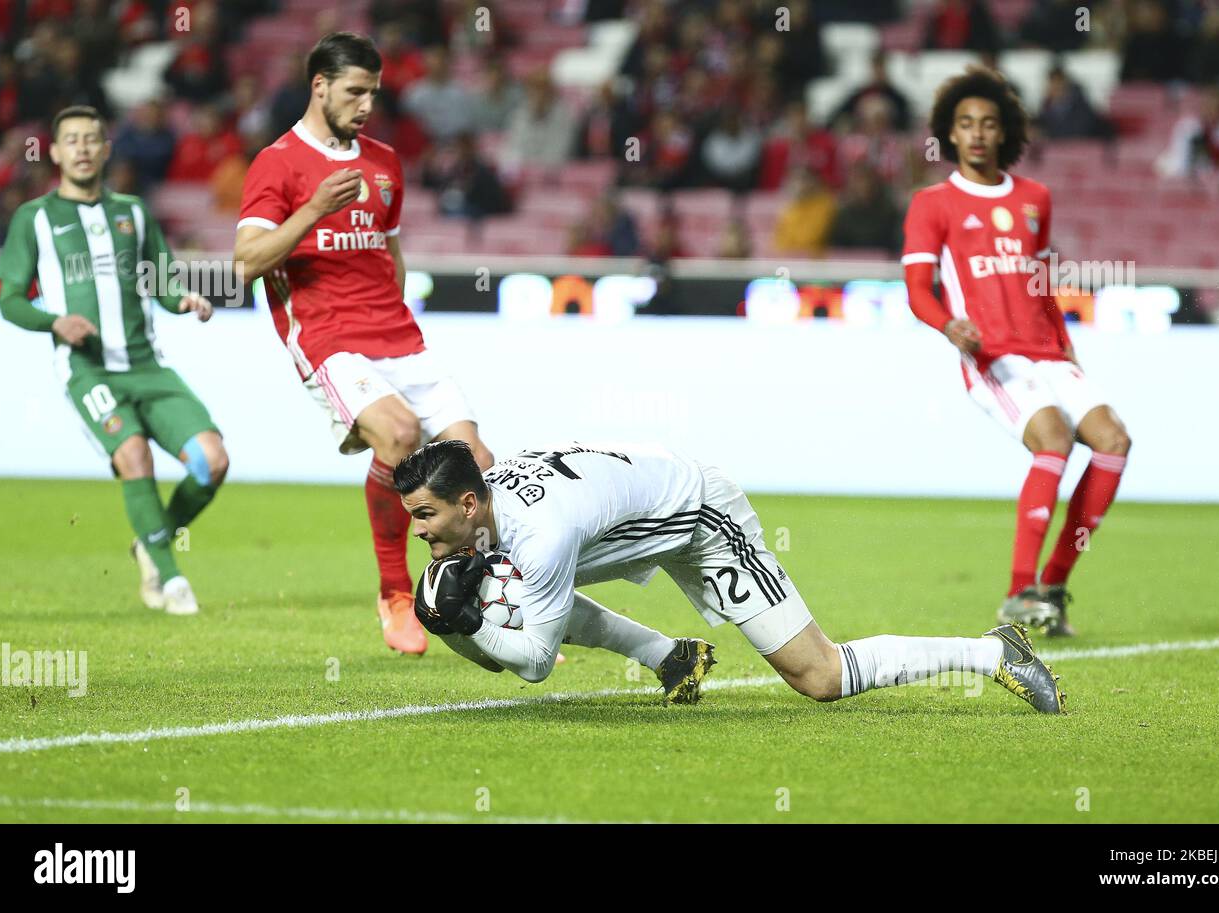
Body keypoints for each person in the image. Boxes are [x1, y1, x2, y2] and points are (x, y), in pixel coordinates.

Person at [401, 440, 1065, 714]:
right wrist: (467, 624)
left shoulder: (541, 535)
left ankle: (990, 652)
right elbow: (504, 642)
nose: (418, 530)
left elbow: (535, 663)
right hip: (639, 510)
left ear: (467, 503)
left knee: (819, 676)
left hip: (700, 519)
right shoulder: (489, 509)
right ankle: (672, 657)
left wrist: (461, 620)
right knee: (512, 599)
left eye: (425, 514)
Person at [233, 33, 493, 655]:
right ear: (318, 86)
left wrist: (397, 310)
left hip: (398, 333)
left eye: (373, 91)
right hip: (326, 336)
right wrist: (313, 208)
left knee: (477, 465)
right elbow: (245, 261)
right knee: (400, 435)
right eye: (354, 90)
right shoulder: (278, 162)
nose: (367, 102)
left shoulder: (383, 161)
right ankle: (395, 591)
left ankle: (498, 602)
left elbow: (390, 250)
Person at [901, 67, 1132, 636]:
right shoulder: (932, 204)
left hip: (1049, 352)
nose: (977, 134)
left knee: (1113, 442)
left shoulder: (1035, 198)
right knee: (1053, 441)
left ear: (1004, 132)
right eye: (965, 124)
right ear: (949, 134)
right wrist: (949, 327)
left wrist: (1067, 345)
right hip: (993, 356)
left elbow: (1041, 281)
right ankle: (1017, 594)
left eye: (988, 124)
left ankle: (1051, 587)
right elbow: (916, 290)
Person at [0, 105, 227, 616]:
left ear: (105, 149)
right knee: (134, 456)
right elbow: (8, 297)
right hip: (88, 369)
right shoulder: (34, 218)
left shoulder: (134, 212)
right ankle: (170, 580)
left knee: (212, 461)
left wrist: (184, 299)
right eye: (70, 140)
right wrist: (53, 322)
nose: (81, 148)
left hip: (148, 365)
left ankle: (151, 539)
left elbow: (163, 283)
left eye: (91, 139)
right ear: (54, 152)